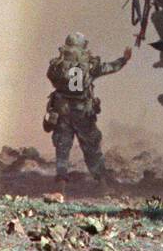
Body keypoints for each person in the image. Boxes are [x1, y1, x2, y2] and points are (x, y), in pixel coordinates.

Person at [44, 33, 131, 182]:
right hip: (82, 111)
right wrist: (124, 59)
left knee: (62, 144)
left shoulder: (57, 63)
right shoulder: (90, 64)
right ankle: (99, 176)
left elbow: (51, 78)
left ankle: (61, 174)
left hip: (61, 109)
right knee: (91, 144)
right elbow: (110, 68)